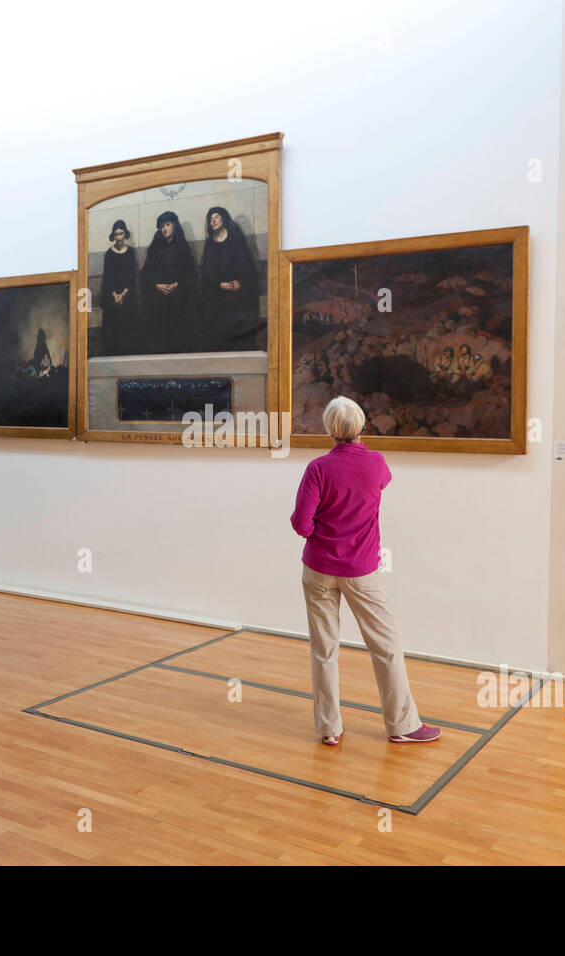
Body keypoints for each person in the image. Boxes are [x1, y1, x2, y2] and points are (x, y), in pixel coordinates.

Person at [289, 396, 441, 746]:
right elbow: (380, 482)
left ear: (329, 431)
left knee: (324, 649)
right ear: (362, 427)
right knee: (385, 645)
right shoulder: (376, 464)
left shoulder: (317, 468)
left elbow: (301, 524)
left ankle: (329, 729)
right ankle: (402, 726)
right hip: (360, 570)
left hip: (318, 568)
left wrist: (320, 532)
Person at [198, 206, 258, 351]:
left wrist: (239, 283)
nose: (213, 221)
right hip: (216, 293)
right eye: (211, 219)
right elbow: (206, 272)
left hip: (237, 292)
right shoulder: (209, 244)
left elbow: (247, 266)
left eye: (216, 217)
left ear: (223, 219)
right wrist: (220, 284)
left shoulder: (236, 240)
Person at [138, 210, 196, 353]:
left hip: (178, 299)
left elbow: (191, 274)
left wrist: (177, 285)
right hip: (159, 299)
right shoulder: (155, 249)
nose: (165, 229)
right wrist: (156, 286)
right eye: (162, 226)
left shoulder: (182, 247)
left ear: (174, 226)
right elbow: (145, 275)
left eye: (168, 225)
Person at [100, 219, 137, 355]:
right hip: (112, 297)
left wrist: (123, 295)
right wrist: (116, 295)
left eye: (121, 234)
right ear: (113, 236)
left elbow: (132, 277)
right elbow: (108, 279)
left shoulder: (130, 252)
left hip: (127, 296)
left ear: (125, 234)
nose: (119, 238)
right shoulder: (109, 254)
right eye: (116, 234)